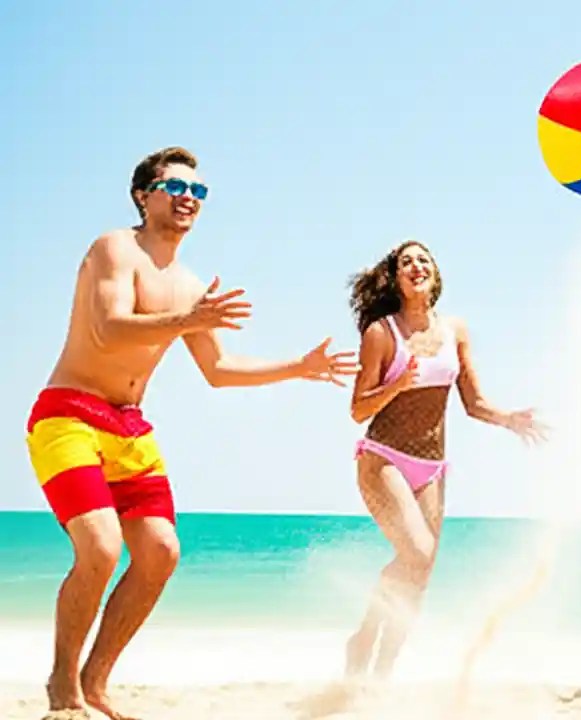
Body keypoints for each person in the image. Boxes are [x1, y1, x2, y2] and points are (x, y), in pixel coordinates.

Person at [23, 146, 359, 720]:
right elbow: (107, 330)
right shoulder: (114, 248)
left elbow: (218, 371)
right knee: (101, 549)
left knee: (160, 553)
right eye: (175, 187)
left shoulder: (189, 284)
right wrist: (188, 320)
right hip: (68, 415)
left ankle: (96, 682)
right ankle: (62, 688)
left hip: (129, 427)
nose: (188, 198)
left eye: (198, 192)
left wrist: (297, 367)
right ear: (142, 195)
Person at [343, 239, 548, 680]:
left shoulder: (455, 331)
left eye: (424, 259)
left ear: (434, 273)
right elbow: (358, 409)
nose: (417, 266)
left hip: (432, 466)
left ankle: (381, 669)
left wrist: (510, 418)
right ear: (395, 278)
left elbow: (473, 403)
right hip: (383, 458)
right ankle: (363, 637)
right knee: (416, 552)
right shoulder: (382, 332)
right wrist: (398, 384)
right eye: (406, 262)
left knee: (421, 570)